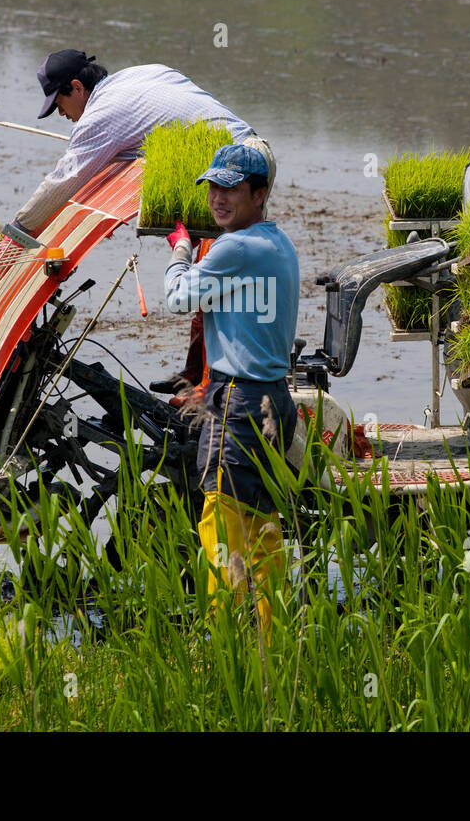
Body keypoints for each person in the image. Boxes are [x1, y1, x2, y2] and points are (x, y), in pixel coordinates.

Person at [11, 49, 276, 395]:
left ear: (76, 87)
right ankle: (196, 374)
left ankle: (211, 390)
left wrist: (20, 226)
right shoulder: (136, 76)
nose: (62, 114)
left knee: (217, 282)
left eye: (59, 104)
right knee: (209, 273)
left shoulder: (101, 115)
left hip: (237, 169)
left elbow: (65, 180)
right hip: (243, 158)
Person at [163, 143, 299, 633]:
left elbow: (179, 299)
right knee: (261, 528)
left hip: (239, 402)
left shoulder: (235, 248)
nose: (219, 199)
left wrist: (180, 249)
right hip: (273, 400)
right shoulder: (277, 242)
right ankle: (272, 639)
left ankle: (227, 645)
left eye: (232, 189)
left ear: (259, 193)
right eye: (214, 188)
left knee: (220, 525)